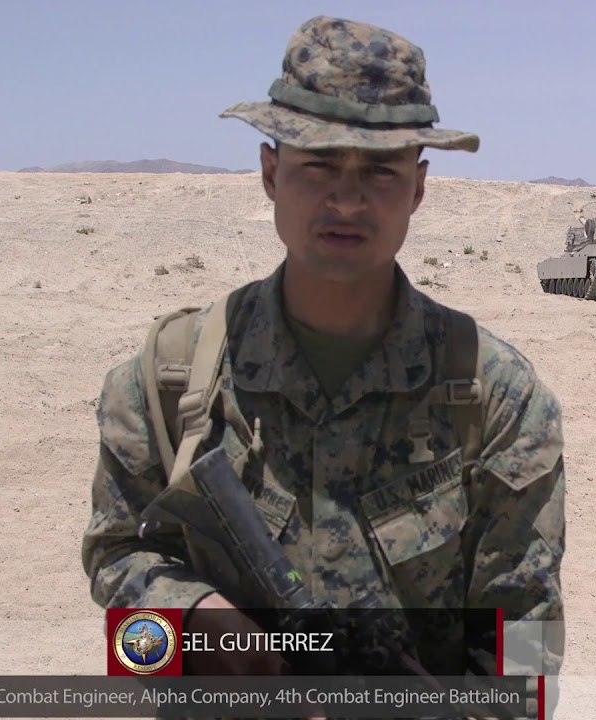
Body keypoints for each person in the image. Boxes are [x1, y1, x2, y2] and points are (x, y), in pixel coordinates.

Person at [81, 15, 565, 684]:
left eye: (379, 172)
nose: (346, 199)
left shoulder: (495, 395)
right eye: (318, 165)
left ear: (419, 188)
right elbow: (116, 559)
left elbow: (524, 645)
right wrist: (196, 621)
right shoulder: (171, 378)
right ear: (271, 172)